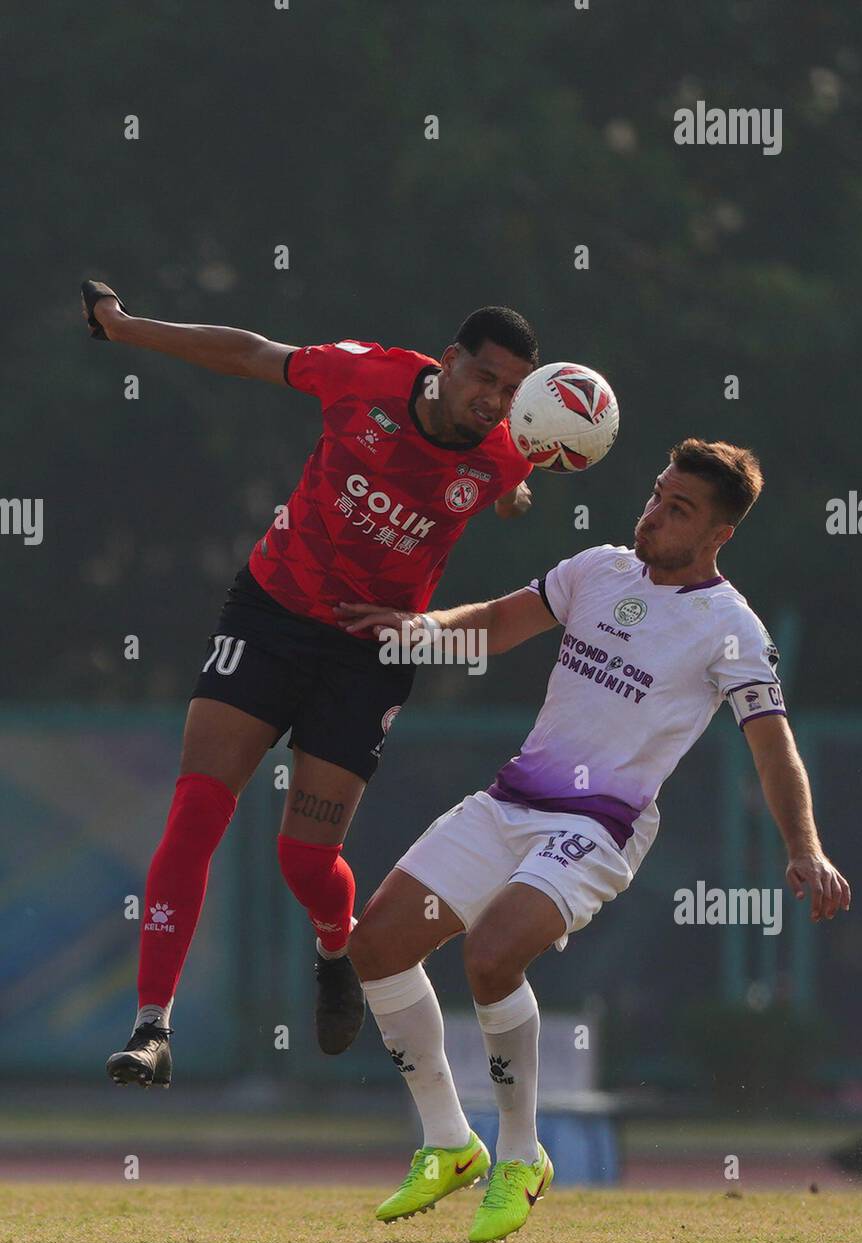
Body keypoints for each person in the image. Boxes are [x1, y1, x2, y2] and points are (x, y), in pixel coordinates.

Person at [339, 438, 851, 1243]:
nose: (653, 513)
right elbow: (494, 627)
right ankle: (447, 1144)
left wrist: (804, 847)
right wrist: (414, 629)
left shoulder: (733, 630)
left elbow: (771, 743)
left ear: (719, 532)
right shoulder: (596, 569)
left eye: (678, 509)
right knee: (374, 947)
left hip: (599, 825)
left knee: (492, 952)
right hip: (511, 801)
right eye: (656, 493)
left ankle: (519, 1156)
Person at [79, 280, 537, 1080]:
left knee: (303, 861)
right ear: (448, 360)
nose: (493, 402)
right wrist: (124, 327)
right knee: (194, 814)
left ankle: (335, 946)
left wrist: (517, 491)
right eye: (484, 379)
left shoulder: (500, 450)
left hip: (373, 654)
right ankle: (154, 1026)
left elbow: (511, 481)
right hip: (272, 616)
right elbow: (249, 353)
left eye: (510, 392)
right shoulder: (365, 377)